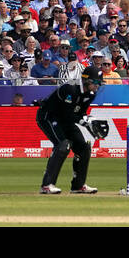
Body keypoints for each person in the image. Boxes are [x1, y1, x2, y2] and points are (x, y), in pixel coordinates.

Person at [35, 63, 103, 194]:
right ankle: (47, 185)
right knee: (63, 144)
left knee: (83, 147)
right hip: (48, 117)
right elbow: (68, 114)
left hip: (65, 120)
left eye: (99, 83)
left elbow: (79, 113)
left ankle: (78, 186)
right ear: (87, 80)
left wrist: (89, 120)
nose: (97, 85)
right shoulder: (70, 89)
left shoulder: (91, 94)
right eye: (95, 82)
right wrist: (85, 121)